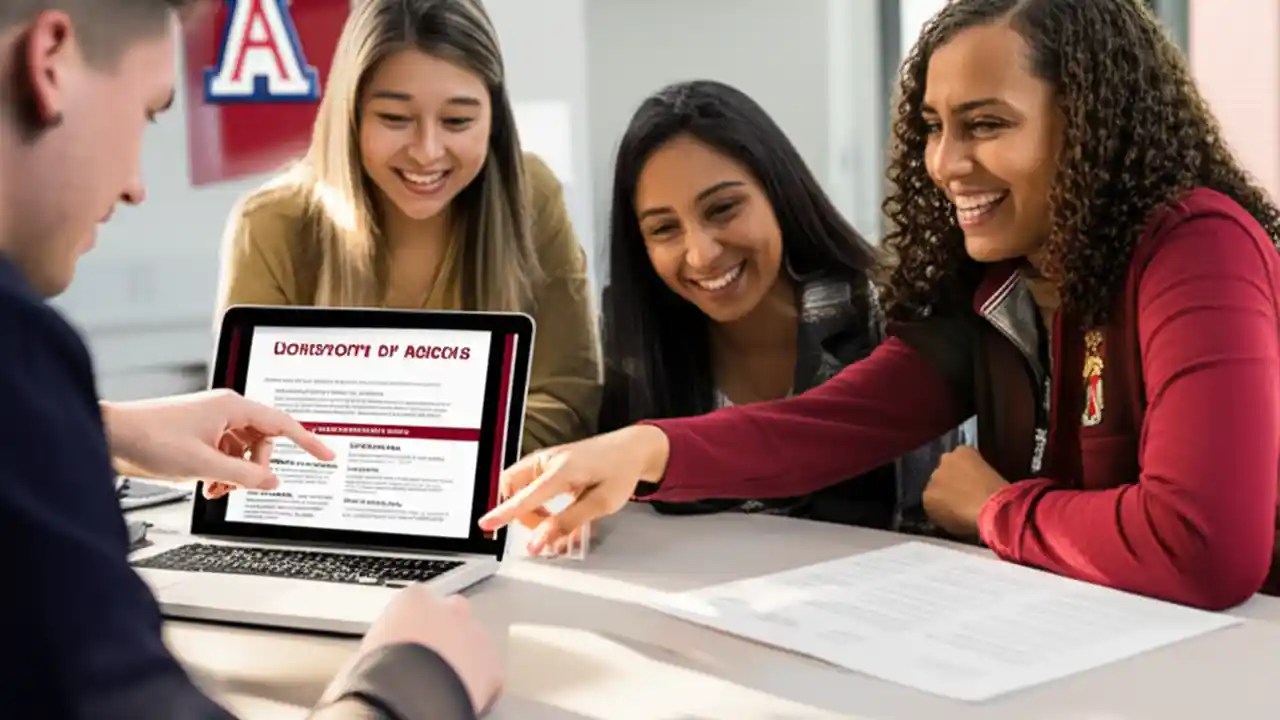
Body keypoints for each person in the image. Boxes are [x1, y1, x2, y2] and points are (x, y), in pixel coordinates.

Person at [481, 0, 1280, 611]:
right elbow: (825, 427)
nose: (945, 163)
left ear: (1091, 123)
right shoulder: (994, 286)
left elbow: (1203, 546)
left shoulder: (1197, 243)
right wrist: (642, 449)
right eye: (934, 127)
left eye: (986, 125)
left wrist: (997, 510)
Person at [0, 1, 501, 717]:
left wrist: (103, 432)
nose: (136, 186)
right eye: (148, 112)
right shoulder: (18, 345)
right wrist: (413, 679)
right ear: (50, 62)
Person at [210, 0, 600, 503]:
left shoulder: (532, 196)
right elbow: (246, 430)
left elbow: (569, 399)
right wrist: (432, 455)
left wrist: (412, 468)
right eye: (395, 118)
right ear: (350, 115)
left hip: (489, 517)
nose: (427, 151)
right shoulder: (269, 223)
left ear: (495, 120)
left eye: (458, 121)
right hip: (325, 520)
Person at [595, 79, 961, 533]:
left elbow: (932, 521)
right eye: (664, 229)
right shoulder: (630, 343)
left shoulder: (890, 318)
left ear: (779, 194)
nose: (701, 253)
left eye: (723, 208)